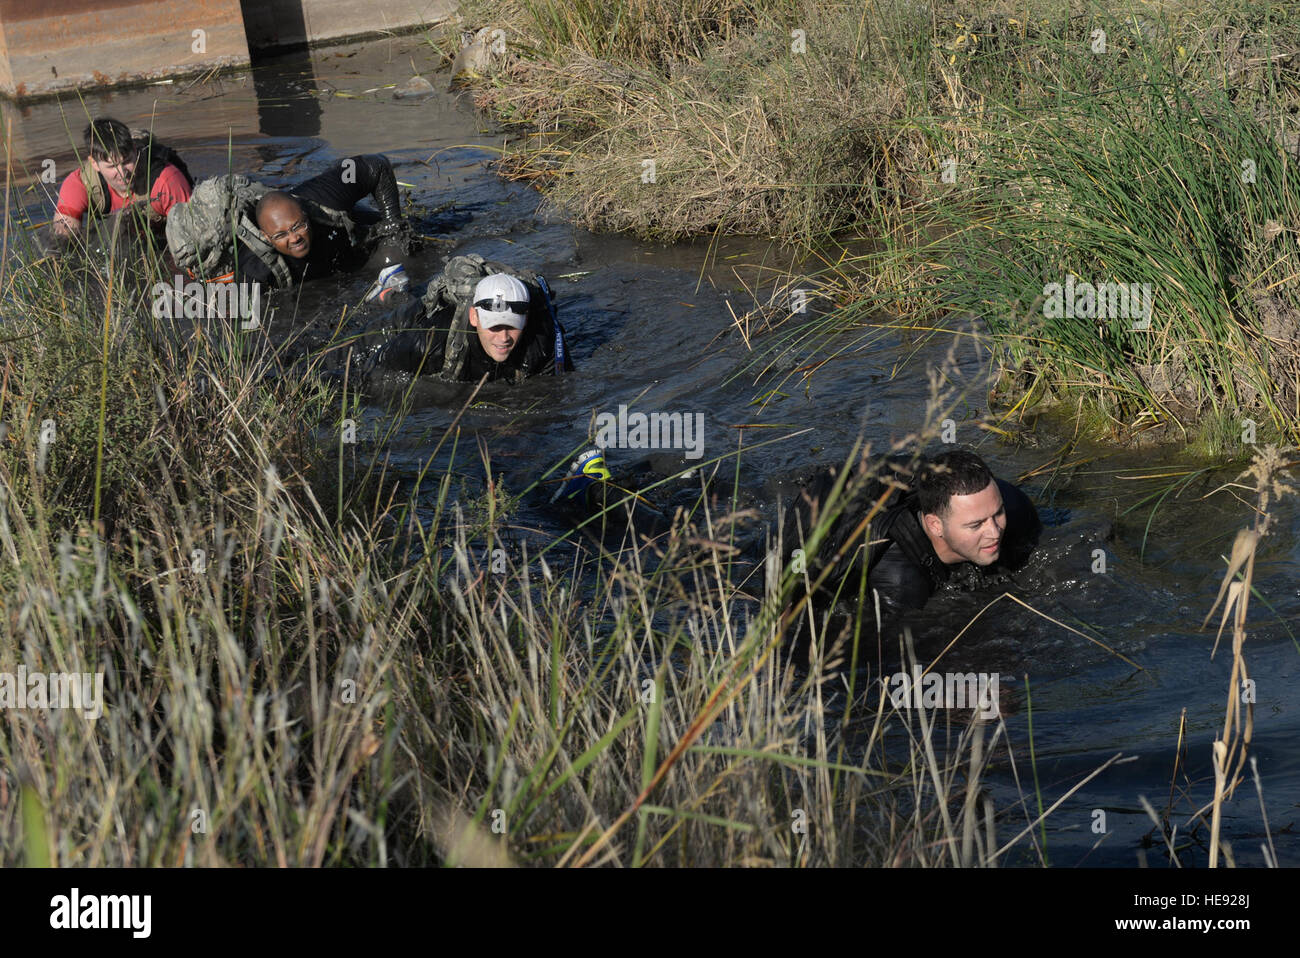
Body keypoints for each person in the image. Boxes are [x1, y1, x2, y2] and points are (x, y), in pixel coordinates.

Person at [783, 449, 1041, 654]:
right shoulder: (900, 579)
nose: (995, 531)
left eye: (997, 514)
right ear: (934, 525)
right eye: (976, 525)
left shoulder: (1016, 509)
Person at [165, 153, 407, 289]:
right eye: (281, 236)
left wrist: (394, 224)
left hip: (341, 226)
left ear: (304, 212)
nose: (295, 238)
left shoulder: (323, 195)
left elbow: (376, 165)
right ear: (266, 237)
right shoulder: (254, 271)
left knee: (396, 249)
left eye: (298, 226)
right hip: (290, 272)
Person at [347, 254, 572, 384]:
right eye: (495, 326)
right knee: (348, 350)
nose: (503, 338)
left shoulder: (543, 341)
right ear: (474, 317)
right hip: (409, 322)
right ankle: (388, 295)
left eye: (512, 327)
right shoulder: (428, 343)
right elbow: (372, 371)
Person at [51, 118, 193, 240]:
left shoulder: (166, 180)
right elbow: (61, 239)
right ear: (94, 163)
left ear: (135, 151)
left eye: (127, 162)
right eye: (112, 166)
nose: (122, 172)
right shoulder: (79, 184)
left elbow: (192, 239)